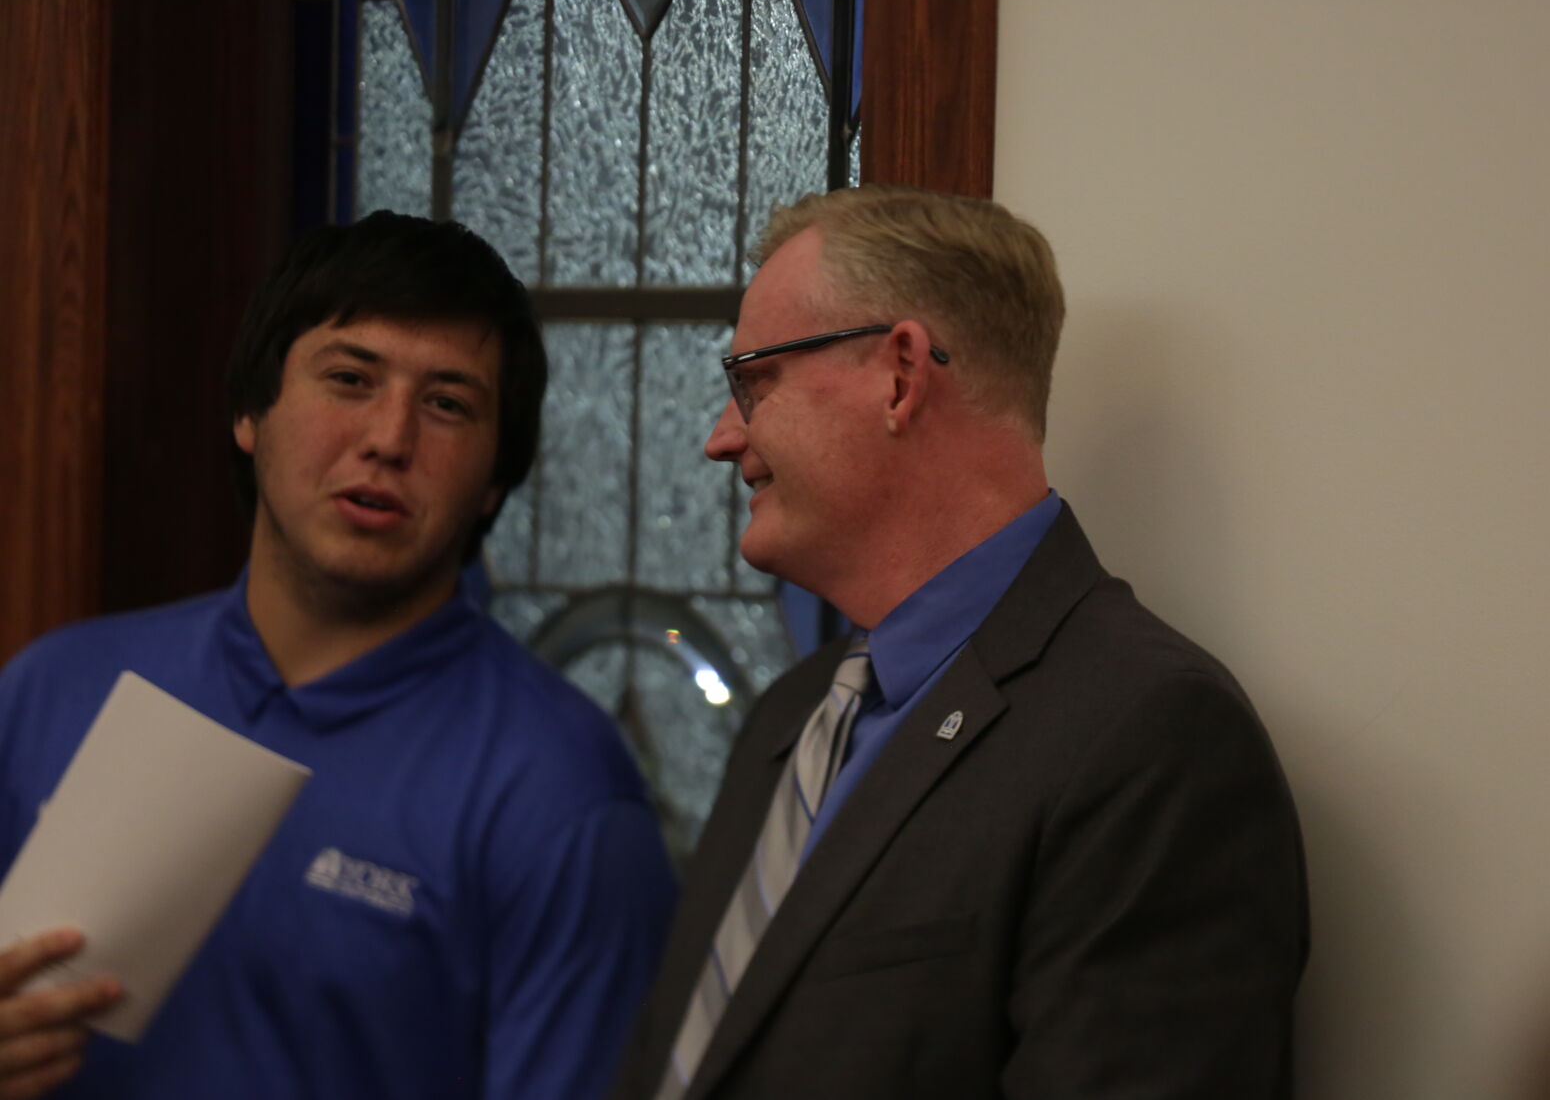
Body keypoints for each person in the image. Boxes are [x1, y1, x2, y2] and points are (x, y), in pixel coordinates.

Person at [610, 185, 1310, 1100]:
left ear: (899, 374)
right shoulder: (792, 717)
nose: (722, 436)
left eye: (754, 379)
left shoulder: (1149, 740)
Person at [0, 212, 676, 1099]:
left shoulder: (560, 791)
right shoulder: (57, 688)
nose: (389, 439)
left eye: (447, 404)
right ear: (250, 412)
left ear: (495, 482)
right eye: (350, 378)